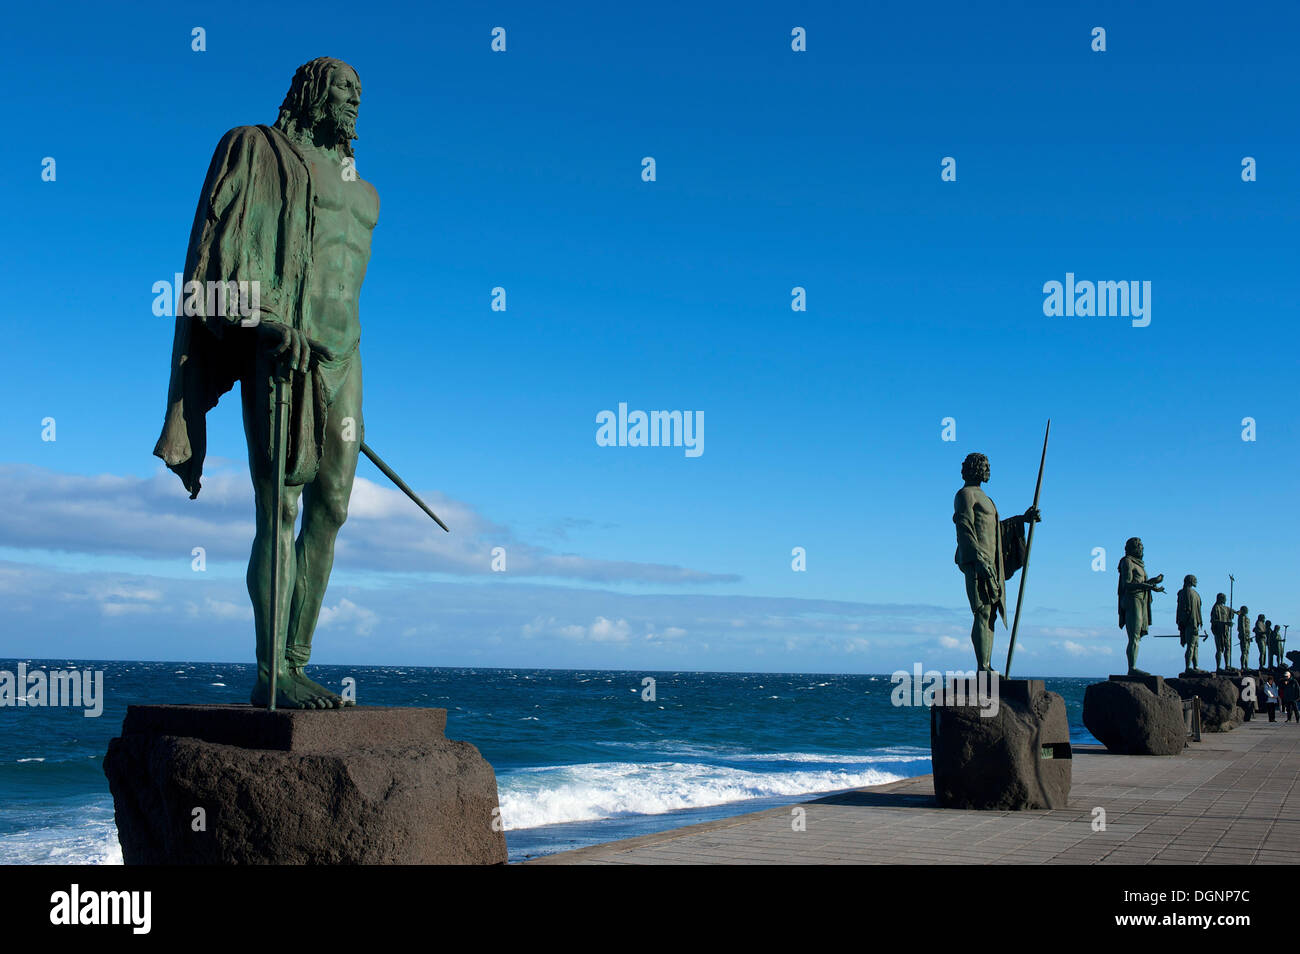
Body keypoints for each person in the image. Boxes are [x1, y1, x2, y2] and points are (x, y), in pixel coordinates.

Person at [155, 57, 377, 708]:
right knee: (279, 505)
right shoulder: (257, 150)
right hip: (280, 347)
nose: (353, 100)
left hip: (347, 354)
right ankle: (270, 671)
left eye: (359, 92)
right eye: (342, 88)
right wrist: (264, 323)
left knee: (332, 507)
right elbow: (222, 254)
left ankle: (300, 662)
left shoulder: (366, 193)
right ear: (310, 91)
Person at [952, 452, 1040, 673]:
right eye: (985, 466)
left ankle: (988, 665)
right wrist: (978, 558)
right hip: (977, 561)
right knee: (981, 611)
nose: (988, 470)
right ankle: (982, 667)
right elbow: (964, 529)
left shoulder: (987, 498)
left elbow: (996, 530)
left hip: (993, 564)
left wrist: (1022, 519)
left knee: (991, 613)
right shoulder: (965, 495)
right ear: (974, 468)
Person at [1117, 538, 1165, 675]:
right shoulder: (1127, 562)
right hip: (1133, 600)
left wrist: (1154, 582)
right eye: (1140, 547)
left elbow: (1141, 582)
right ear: (1133, 548)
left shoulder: (1139, 565)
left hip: (1141, 600)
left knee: (1137, 636)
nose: (1142, 550)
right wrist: (1147, 585)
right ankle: (1132, 668)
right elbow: (1127, 584)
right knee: (1134, 636)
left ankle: (1133, 667)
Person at [1176, 575, 1202, 673]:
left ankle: (1195, 666)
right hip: (1191, 623)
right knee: (1191, 645)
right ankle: (1188, 667)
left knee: (1195, 645)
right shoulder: (1186, 592)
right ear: (1190, 581)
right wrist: (1192, 623)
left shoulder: (1193, 593)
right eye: (1195, 580)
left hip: (1194, 623)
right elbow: (1187, 609)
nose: (1196, 582)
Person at [1209, 592, 1232, 671]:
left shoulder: (1226, 608)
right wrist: (1225, 623)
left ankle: (1227, 665)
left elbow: (1233, 613)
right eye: (1224, 598)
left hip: (1226, 631)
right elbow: (1213, 620)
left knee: (1228, 648)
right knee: (1219, 649)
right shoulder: (1216, 607)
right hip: (1219, 631)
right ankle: (1218, 667)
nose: (1225, 600)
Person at [1237, 605, 1252, 671]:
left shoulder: (1246, 617)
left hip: (1247, 636)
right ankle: (1243, 666)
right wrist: (1243, 636)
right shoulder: (1242, 617)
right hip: (1244, 636)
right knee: (1244, 651)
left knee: (1247, 652)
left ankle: (1246, 666)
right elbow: (1242, 627)